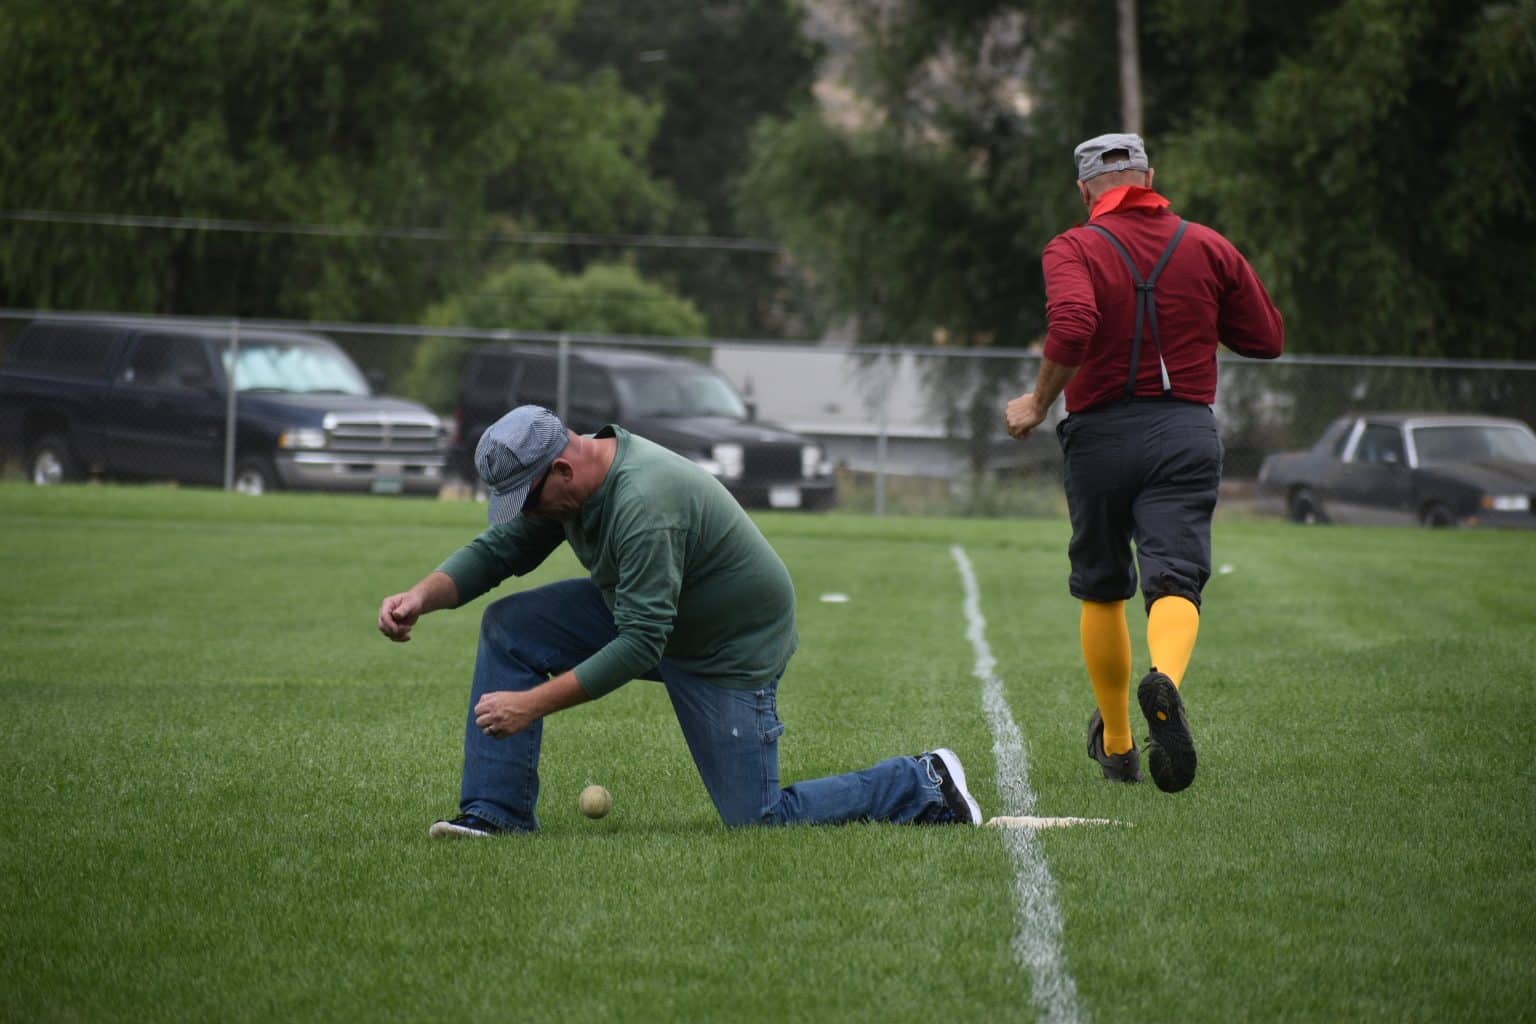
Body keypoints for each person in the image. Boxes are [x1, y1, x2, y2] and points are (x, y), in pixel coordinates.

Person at [377, 405, 983, 836]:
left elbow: (641, 645)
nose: (527, 514)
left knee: (758, 820)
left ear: (562, 468)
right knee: (510, 626)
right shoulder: (569, 486)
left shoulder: (644, 502)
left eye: (528, 500)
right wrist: (421, 596)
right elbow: (501, 551)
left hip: (728, 648)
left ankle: (922, 781)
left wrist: (530, 704)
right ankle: (495, 814)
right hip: (650, 610)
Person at [1004, 132, 1284, 792]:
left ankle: (1121, 746)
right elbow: (1266, 339)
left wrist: (1038, 402)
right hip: (1184, 431)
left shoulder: (1073, 247)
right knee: (1175, 577)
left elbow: (1072, 326)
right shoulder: (1207, 245)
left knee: (1102, 583)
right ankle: (1166, 681)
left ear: (1084, 191)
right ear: (1151, 176)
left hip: (1100, 436)